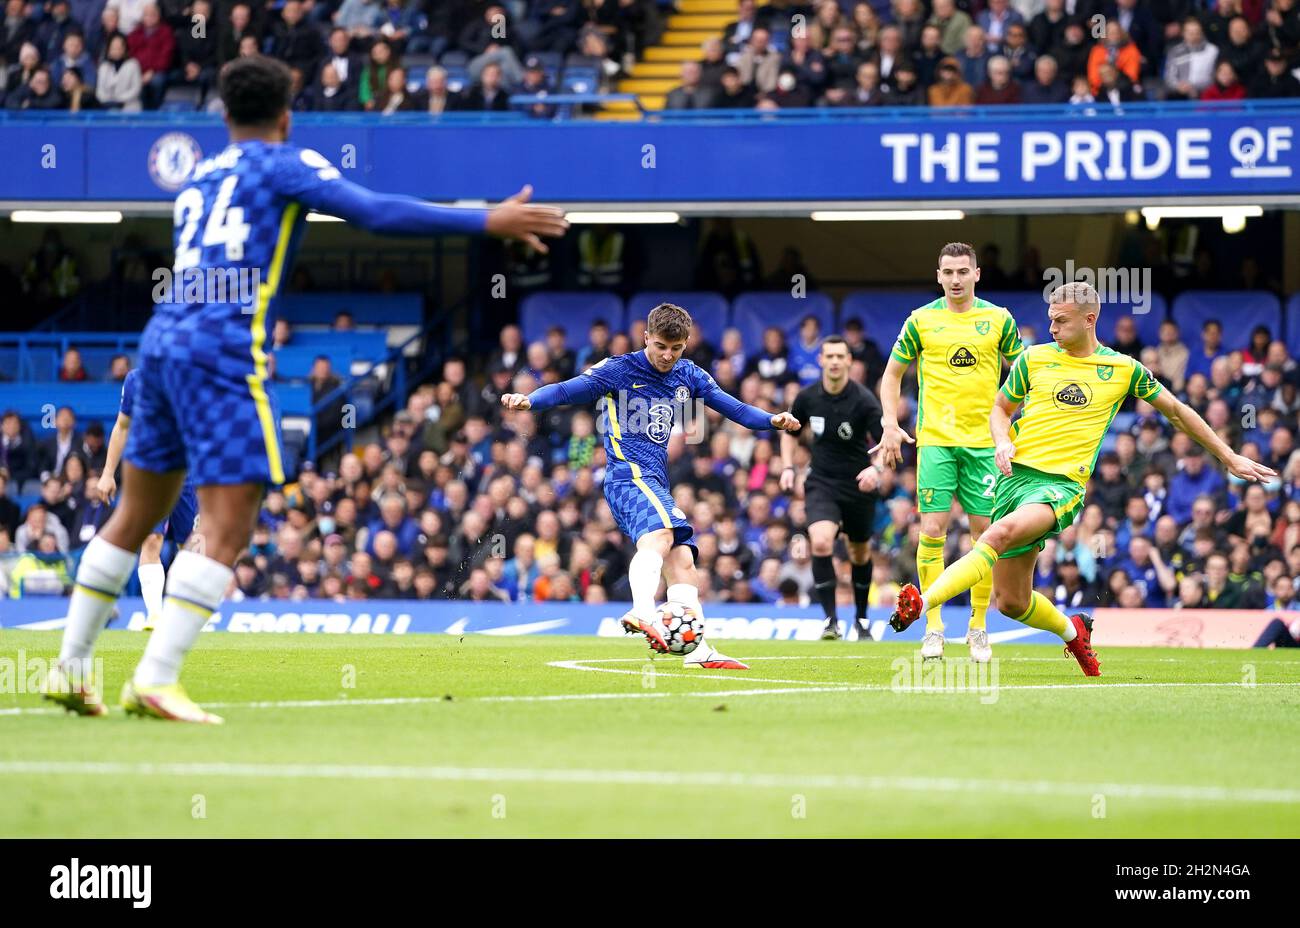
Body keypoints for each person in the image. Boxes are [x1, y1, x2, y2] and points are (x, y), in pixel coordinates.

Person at [41, 54, 567, 723]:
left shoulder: (199, 178)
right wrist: (483, 221)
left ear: (225, 116)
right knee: (227, 528)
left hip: (159, 349)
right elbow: (374, 212)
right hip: (223, 359)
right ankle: (156, 677)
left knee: (133, 517)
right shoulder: (287, 163)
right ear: (287, 116)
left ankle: (70, 667)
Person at [888, 282, 1275, 677]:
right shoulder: (1033, 359)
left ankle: (921, 603)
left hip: (1059, 486)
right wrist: (1002, 440)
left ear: (1089, 319)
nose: (1051, 327)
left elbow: (1175, 411)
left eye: (1060, 320)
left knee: (994, 536)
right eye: (1050, 319)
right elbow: (1000, 409)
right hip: (1012, 480)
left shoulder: (1123, 370)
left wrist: (1228, 456)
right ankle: (1073, 630)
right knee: (1012, 602)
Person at [500, 303, 801, 671]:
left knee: (683, 560)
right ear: (646, 338)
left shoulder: (688, 373)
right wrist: (530, 400)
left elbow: (734, 408)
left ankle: (698, 650)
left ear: (686, 344)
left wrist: (772, 419)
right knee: (659, 536)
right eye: (660, 346)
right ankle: (644, 612)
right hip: (627, 476)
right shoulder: (618, 369)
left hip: (654, 480)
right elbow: (566, 391)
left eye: (676, 348)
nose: (667, 355)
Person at [876, 242, 1025, 664]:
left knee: (985, 536)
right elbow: (892, 374)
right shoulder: (921, 321)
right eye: (948, 272)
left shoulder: (999, 320)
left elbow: (1026, 375)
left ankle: (978, 626)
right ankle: (934, 628)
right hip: (936, 440)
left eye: (963, 271)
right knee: (933, 531)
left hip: (984, 445)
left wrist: (1016, 427)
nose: (956, 279)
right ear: (938, 275)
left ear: (977, 274)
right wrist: (890, 421)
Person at [779, 336, 884, 641]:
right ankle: (830, 621)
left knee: (859, 553)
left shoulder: (865, 401)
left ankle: (862, 619)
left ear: (850, 361)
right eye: (830, 356)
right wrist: (788, 466)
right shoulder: (808, 397)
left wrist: (875, 469)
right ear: (821, 360)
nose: (835, 361)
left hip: (858, 485)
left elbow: (883, 444)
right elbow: (789, 431)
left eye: (841, 356)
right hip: (821, 481)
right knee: (821, 542)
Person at [98, 368, 200, 631]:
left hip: (189, 473)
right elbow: (122, 427)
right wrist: (108, 473)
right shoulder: (136, 379)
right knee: (151, 539)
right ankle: (155, 614)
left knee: (191, 548)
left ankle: (188, 613)